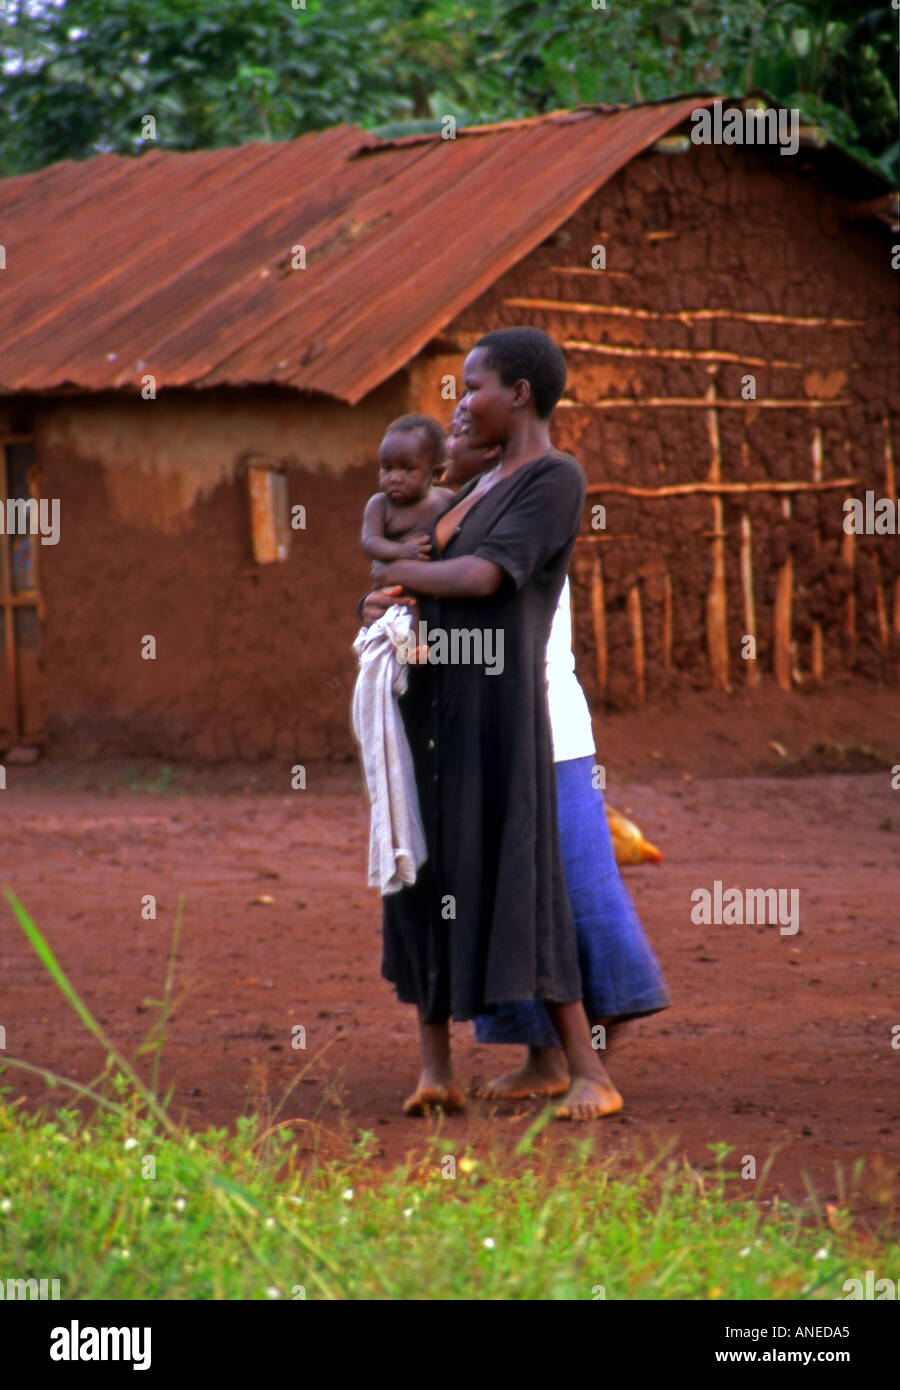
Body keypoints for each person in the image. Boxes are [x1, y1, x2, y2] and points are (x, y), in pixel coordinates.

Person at [362, 326, 622, 1122]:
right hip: (432, 706)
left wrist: (396, 572)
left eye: (474, 387)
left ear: (523, 394)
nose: (462, 403)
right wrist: (387, 600)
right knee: (424, 880)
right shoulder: (475, 487)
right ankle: (434, 1070)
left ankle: (591, 1075)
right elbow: (431, 571)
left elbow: (481, 576)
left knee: (523, 887)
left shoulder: (554, 478)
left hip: (500, 715)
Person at [440, 413, 669, 1100]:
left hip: (548, 729)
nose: (450, 426)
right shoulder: (475, 501)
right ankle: (544, 1059)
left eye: (462, 411)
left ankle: (594, 1046)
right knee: (508, 896)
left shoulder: (539, 492)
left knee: (576, 885)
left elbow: (483, 583)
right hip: (487, 732)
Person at [361, 414, 454, 573]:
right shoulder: (380, 505)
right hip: (399, 589)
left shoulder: (447, 499)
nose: (395, 478)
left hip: (441, 583)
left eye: (408, 469)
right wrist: (401, 551)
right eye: (387, 468)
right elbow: (370, 541)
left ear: (436, 473)